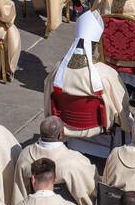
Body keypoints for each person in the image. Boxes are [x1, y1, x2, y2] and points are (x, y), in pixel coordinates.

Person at [46, 10, 130, 140]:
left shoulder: (57, 71)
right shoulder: (106, 74)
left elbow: (48, 102)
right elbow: (120, 107)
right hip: (97, 127)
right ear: (95, 45)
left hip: (65, 125)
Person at [12, 116, 96, 205]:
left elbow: (19, 190)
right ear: (61, 135)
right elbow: (89, 192)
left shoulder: (25, 155)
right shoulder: (75, 162)